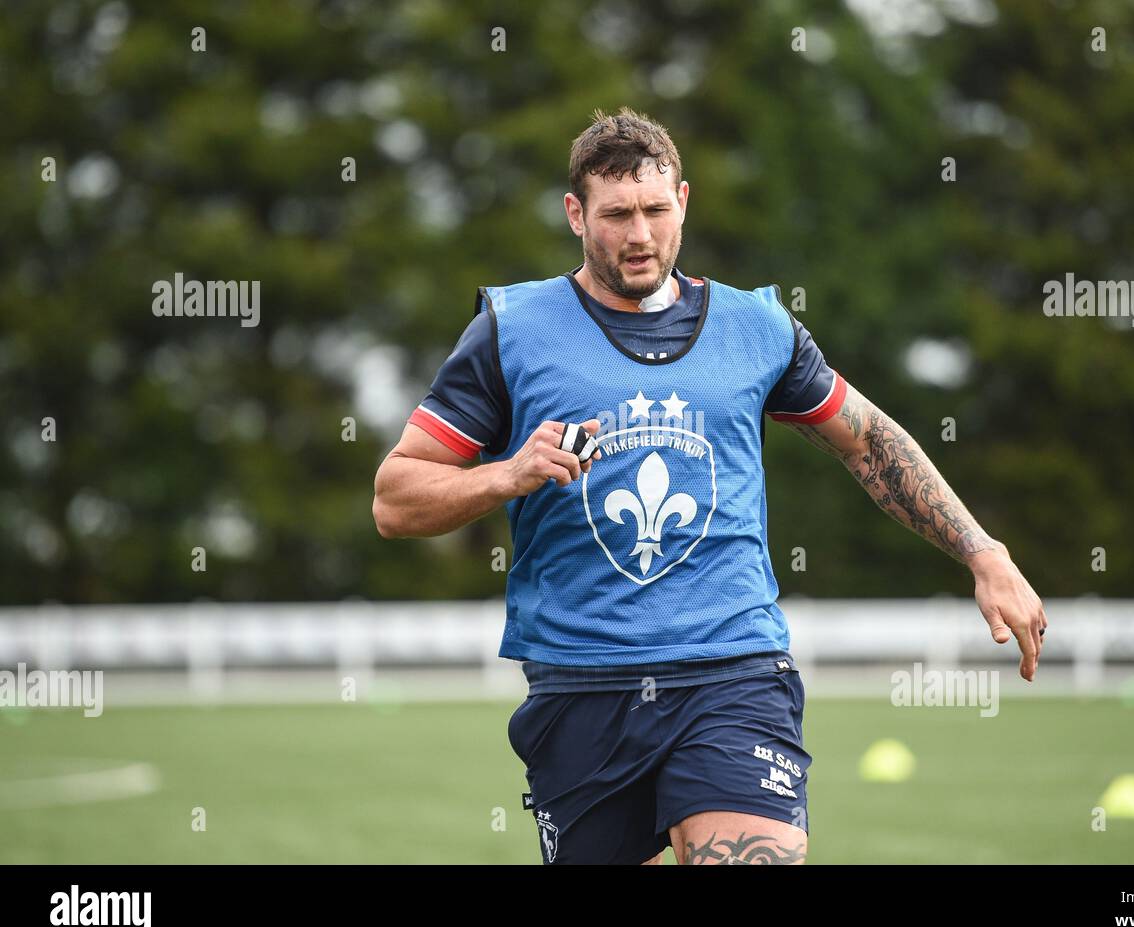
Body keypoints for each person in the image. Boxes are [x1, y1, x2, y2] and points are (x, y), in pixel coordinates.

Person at [372, 107, 1047, 865]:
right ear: (574, 213)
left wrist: (981, 550)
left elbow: (869, 441)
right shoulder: (512, 328)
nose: (639, 235)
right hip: (581, 690)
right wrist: (507, 473)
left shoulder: (755, 327)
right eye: (616, 214)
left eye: (656, 210)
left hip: (733, 672)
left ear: (683, 202)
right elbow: (395, 499)